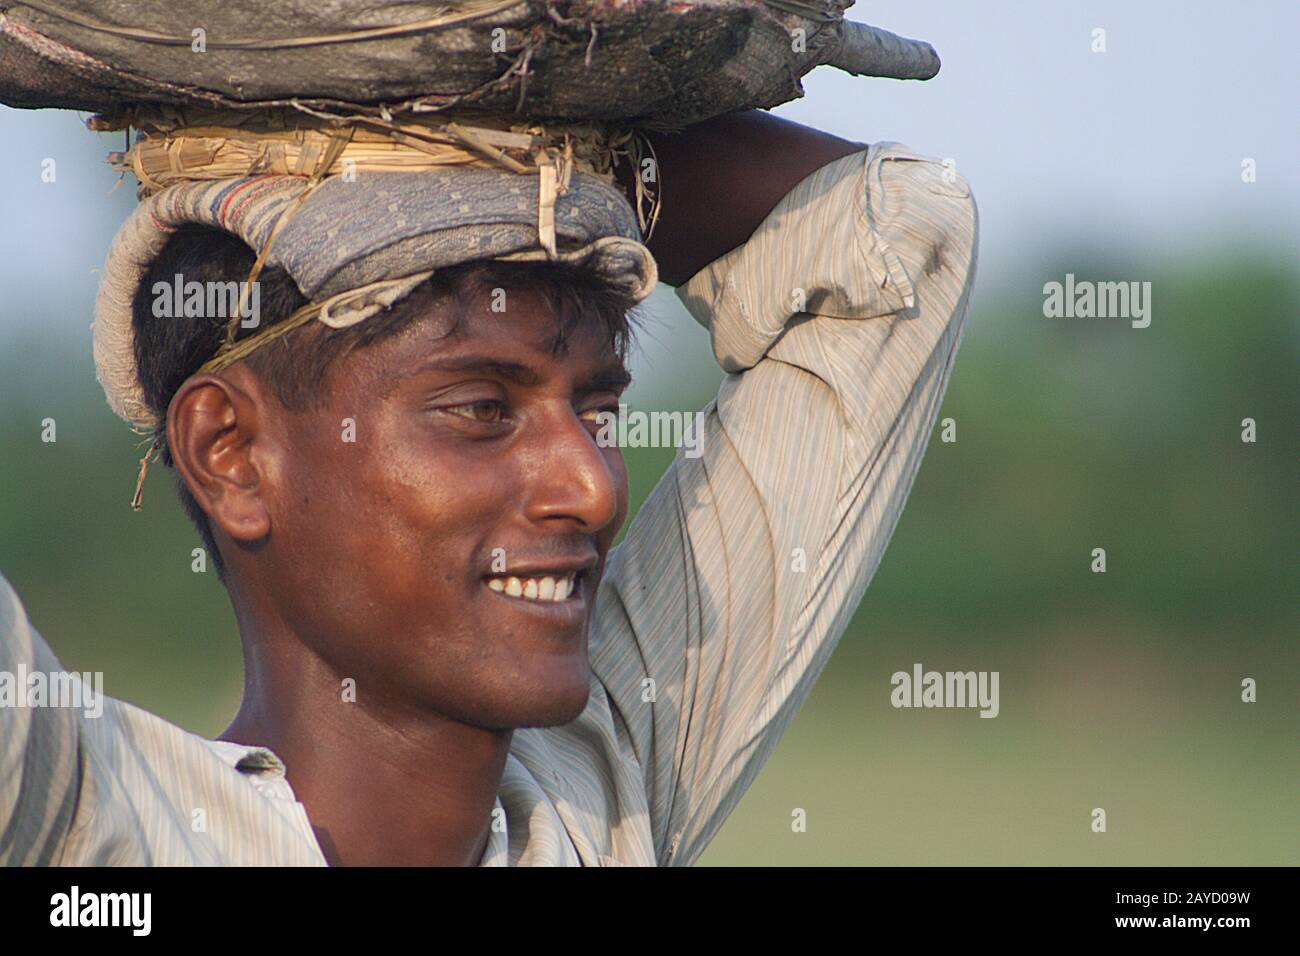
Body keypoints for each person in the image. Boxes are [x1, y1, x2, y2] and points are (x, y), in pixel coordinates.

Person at [0, 108, 978, 866]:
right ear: (232, 452)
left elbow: (895, 237)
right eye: (479, 410)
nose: (591, 489)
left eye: (597, 409)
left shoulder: (594, 808)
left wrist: (537, 138)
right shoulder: (94, 821)